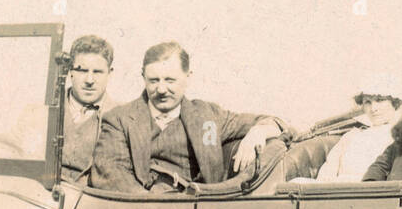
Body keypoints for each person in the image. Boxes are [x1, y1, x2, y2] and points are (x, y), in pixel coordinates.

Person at [90, 42, 286, 192]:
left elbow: (279, 124)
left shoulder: (207, 116)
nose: (161, 89)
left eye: (170, 80)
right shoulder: (119, 120)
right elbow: (111, 173)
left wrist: (258, 133)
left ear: (187, 77)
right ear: (143, 78)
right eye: (153, 81)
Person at [312, 78, 402, 182]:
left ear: (394, 102)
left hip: (369, 191)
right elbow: (327, 171)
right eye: (368, 102)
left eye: (379, 100)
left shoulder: (401, 136)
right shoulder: (352, 135)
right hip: (336, 190)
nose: (373, 108)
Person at [60, 35, 116, 183]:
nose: (89, 80)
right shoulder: (42, 111)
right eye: (82, 70)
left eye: (97, 72)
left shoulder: (121, 118)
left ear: (110, 73)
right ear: (69, 71)